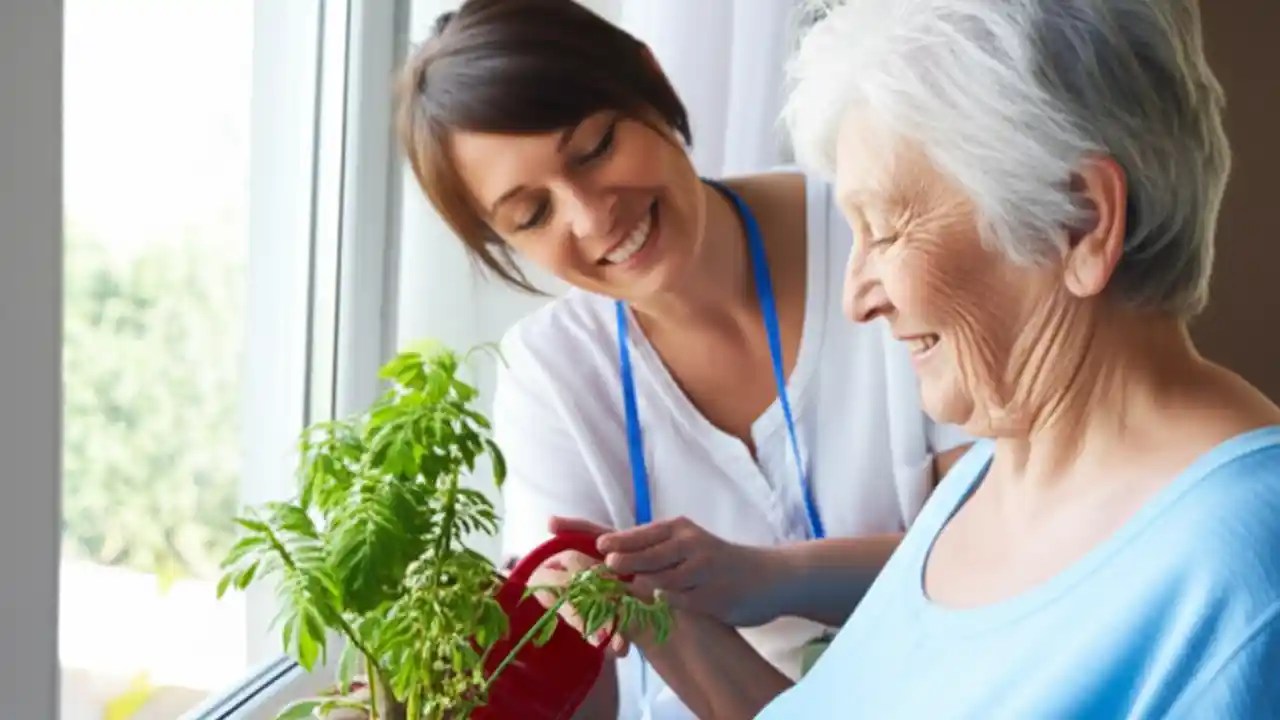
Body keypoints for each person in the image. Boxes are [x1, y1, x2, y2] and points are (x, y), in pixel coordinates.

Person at [593, 0, 1280, 717]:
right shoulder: (993, 474)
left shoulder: (1246, 565)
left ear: (1080, 221)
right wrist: (657, 618)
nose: (856, 298)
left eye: (886, 231)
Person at [393, 0, 970, 716]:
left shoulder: (875, 227)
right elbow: (587, 690)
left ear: (650, 80)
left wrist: (771, 579)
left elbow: (1002, 549)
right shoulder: (550, 376)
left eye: (595, 148)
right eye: (532, 215)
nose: (591, 216)